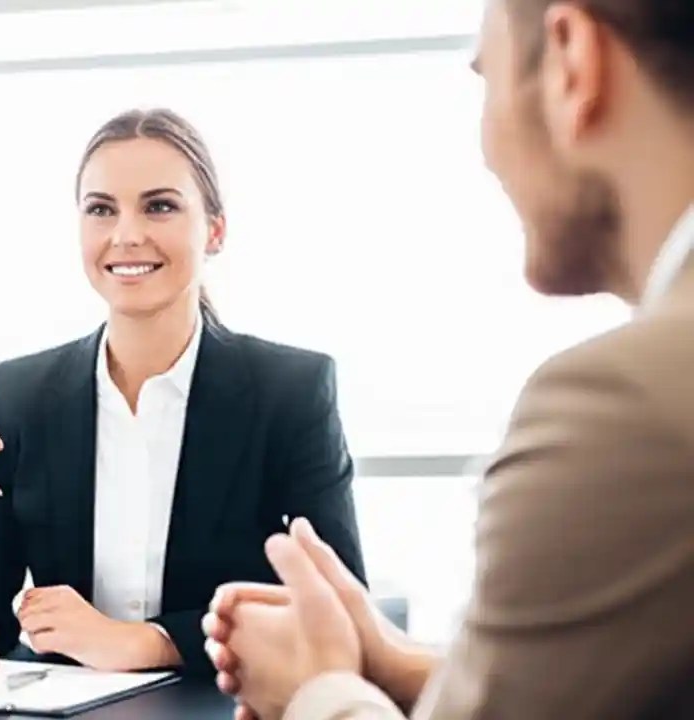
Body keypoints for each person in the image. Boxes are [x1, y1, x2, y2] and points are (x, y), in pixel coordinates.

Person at [204, 0, 694, 717]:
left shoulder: (623, 406)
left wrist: (317, 688)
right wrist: (395, 663)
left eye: (486, 80)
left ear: (571, 63)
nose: (487, 150)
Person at [0, 108, 367, 676]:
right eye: (101, 209)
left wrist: (152, 642)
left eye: (159, 206)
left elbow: (339, 613)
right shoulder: (24, 393)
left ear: (215, 231)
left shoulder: (289, 391)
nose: (126, 235)